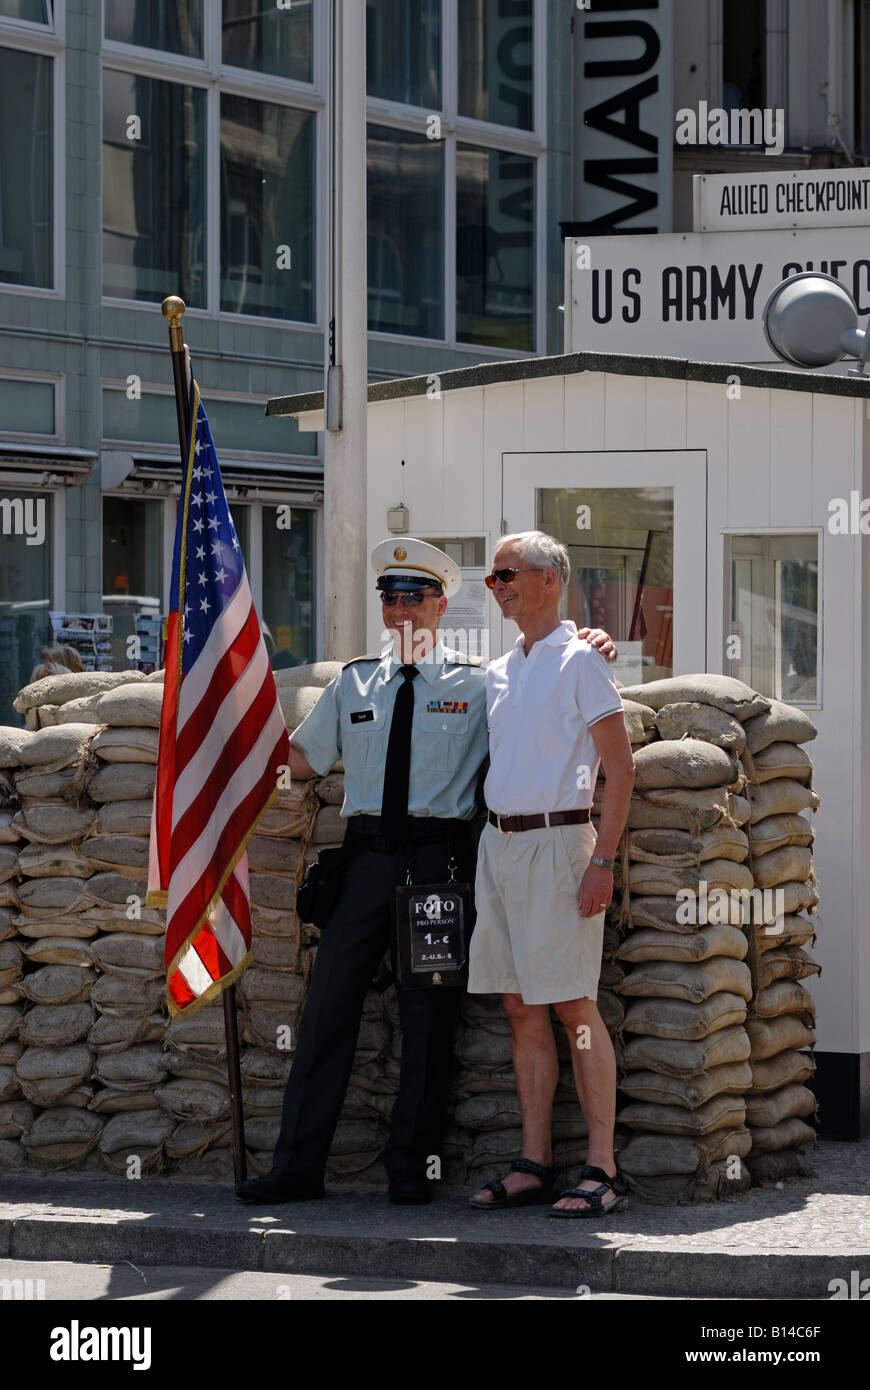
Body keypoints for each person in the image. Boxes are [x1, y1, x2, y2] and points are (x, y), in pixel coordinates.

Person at [238, 536, 615, 1206]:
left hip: (437, 866)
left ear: (441, 604)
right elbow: (300, 761)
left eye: (415, 597)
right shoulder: (353, 683)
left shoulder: (481, 682)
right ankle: (296, 1167)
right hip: (364, 863)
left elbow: (546, 716)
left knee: (428, 1023)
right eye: (391, 597)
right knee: (326, 1013)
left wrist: (591, 644)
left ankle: (411, 1170)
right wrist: (229, 760)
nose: (402, 609)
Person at [467, 531, 635, 1218]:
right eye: (492, 577)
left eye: (508, 573)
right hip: (499, 849)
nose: (498, 585)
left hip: (561, 845)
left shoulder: (583, 661)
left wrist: (602, 862)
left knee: (574, 1006)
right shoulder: (500, 668)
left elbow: (621, 769)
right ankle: (534, 1162)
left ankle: (603, 1168)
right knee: (518, 1004)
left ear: (548, 580)